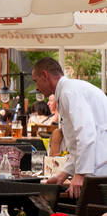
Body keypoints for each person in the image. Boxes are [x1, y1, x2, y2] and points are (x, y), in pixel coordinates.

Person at [32, 57, 107, 198]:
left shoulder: (69, 91)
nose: (36, 87)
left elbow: (86, 133)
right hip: (98, 167)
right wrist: (63, 174)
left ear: (45, 75)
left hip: (101, 169)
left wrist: (80, 174)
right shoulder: (70, 89)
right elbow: (76, 145)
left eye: (36, 80)